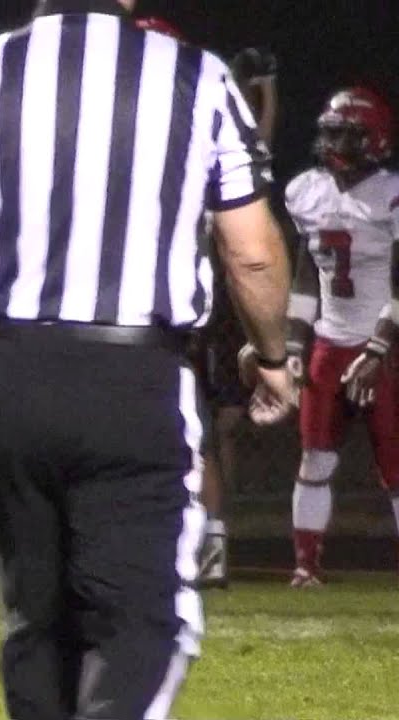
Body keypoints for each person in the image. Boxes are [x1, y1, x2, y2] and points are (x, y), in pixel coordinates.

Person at [0, 1, 296, 717]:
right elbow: (251, 253)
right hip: (132, 376)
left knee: (38, 622)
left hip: (0, 376)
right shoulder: (194, 76)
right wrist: (272, 353)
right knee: (143, 623)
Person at [276, 86, 399, 587]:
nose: (335, 144)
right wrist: (293, 345)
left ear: (376, 139)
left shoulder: (391, 194)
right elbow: (308, 275)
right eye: (331, 132)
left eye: (348, 134)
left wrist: (378, 349)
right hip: (330, 343)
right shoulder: (307, 191)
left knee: (395, 467)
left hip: (387, 344)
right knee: (315, 457)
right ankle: (306, 566)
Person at [194, 43, 281, 588]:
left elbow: (252, 150)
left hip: (196, 318)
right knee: (198, 437)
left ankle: (211, 543)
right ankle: (205, 543)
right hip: (182, 314)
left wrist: (262, 92)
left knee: (213, 433)